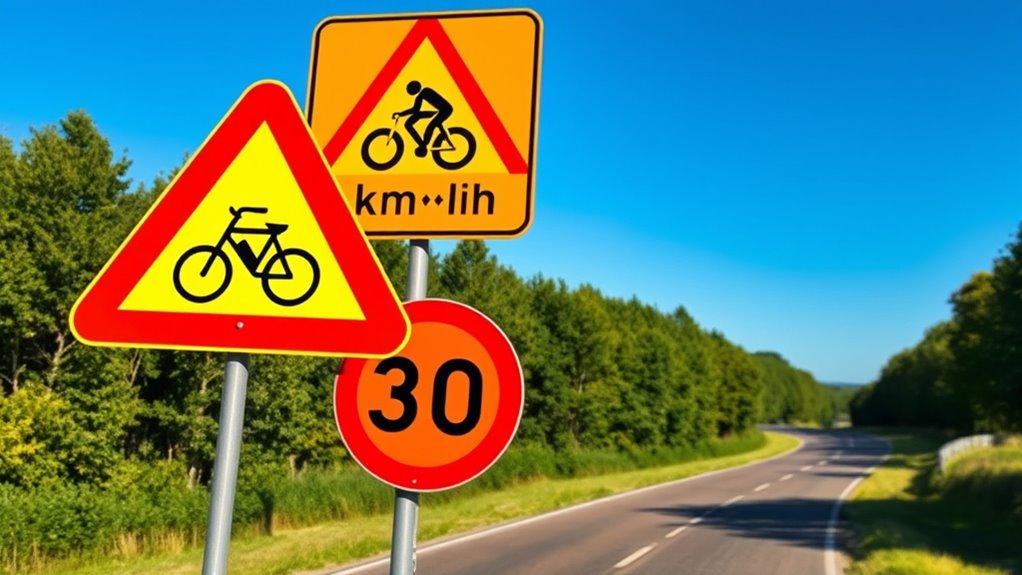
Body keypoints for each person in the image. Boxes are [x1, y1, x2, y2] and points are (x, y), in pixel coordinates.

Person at [392, 80, 453, 157]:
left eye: (410, 89)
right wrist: (401, 114)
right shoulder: (421, 95)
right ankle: (422, 144)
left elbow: (415, 110)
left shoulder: (425, 91)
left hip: (444, 110)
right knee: (408, 123)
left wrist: (401, 114)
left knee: (431, 126)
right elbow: (415, 109)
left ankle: (424, 145)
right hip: (438, 111)